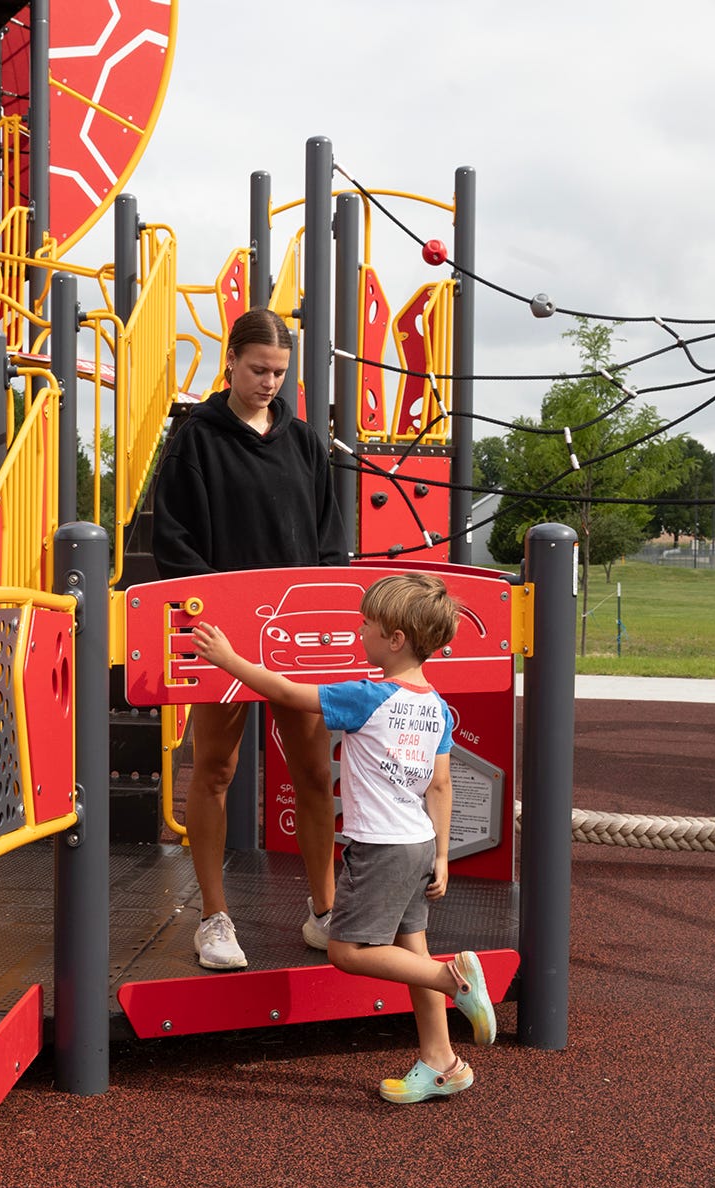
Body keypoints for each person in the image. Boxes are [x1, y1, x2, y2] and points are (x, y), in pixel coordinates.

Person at [191, 573, 498, 1103]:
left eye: (367, 625)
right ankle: (443, 1061)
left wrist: (228, 658)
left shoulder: (365, 696)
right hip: (421, 843)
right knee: (409, 946)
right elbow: (442, 784)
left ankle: (455, 981)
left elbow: (286, 691)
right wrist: (444, 855)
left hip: (380, 849)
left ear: (395, 639)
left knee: (347, 951)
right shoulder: (436, 706)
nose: (358, 632)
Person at [150, 308, 348, 970]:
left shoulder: (302, 442)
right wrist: (220, 618)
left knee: (316, 772)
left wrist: (330, 624)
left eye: (280, 372)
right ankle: (214, 918)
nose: (269, 382)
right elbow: (175, 541)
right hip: (224, 636)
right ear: (230, 360)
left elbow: (326, 543)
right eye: (259, 369)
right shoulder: (196, 440)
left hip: (297, 636)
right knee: (214, 770)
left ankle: (324, 912)